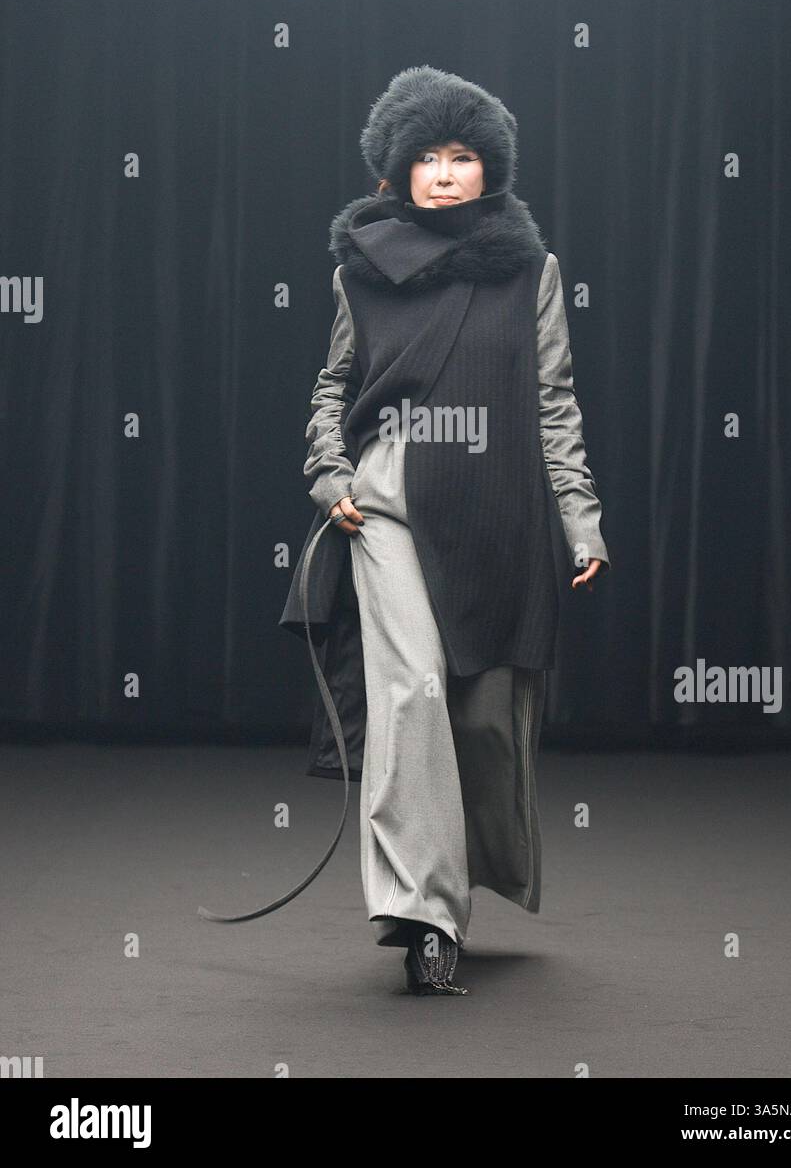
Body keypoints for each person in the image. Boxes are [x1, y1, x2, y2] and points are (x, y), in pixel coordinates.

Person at [198, 65, 611, 998]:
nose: (446, 172)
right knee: (414, 693)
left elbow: (555, 407)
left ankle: (465, 876)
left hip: (499, 515)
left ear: (488, 170)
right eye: (427, 156)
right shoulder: (362, 271)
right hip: (384, 510)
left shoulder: (532, 273)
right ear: (398, 171)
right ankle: (426, 918)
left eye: (463, 156)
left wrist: (580, 522)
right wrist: (329, 474)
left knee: (481, 719)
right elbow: (330, 392)